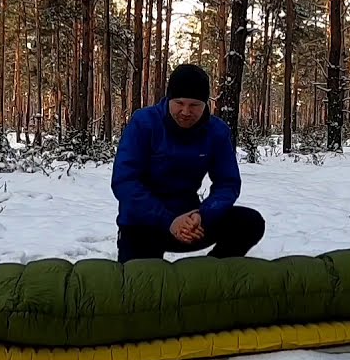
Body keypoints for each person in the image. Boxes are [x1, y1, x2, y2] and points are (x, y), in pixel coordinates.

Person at [111, 64, 266, 263]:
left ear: (205, 104)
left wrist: (204, 215)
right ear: (169, 99)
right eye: (179, 103)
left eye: (194, 105)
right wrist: (168, 221)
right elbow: (124, 181)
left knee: (249, 222)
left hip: (191, 223)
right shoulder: (144, 123)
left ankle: (212, 273)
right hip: (144, 223)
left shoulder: (217, 131)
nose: (185, 111)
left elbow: (228, 183)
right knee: (141, 278)